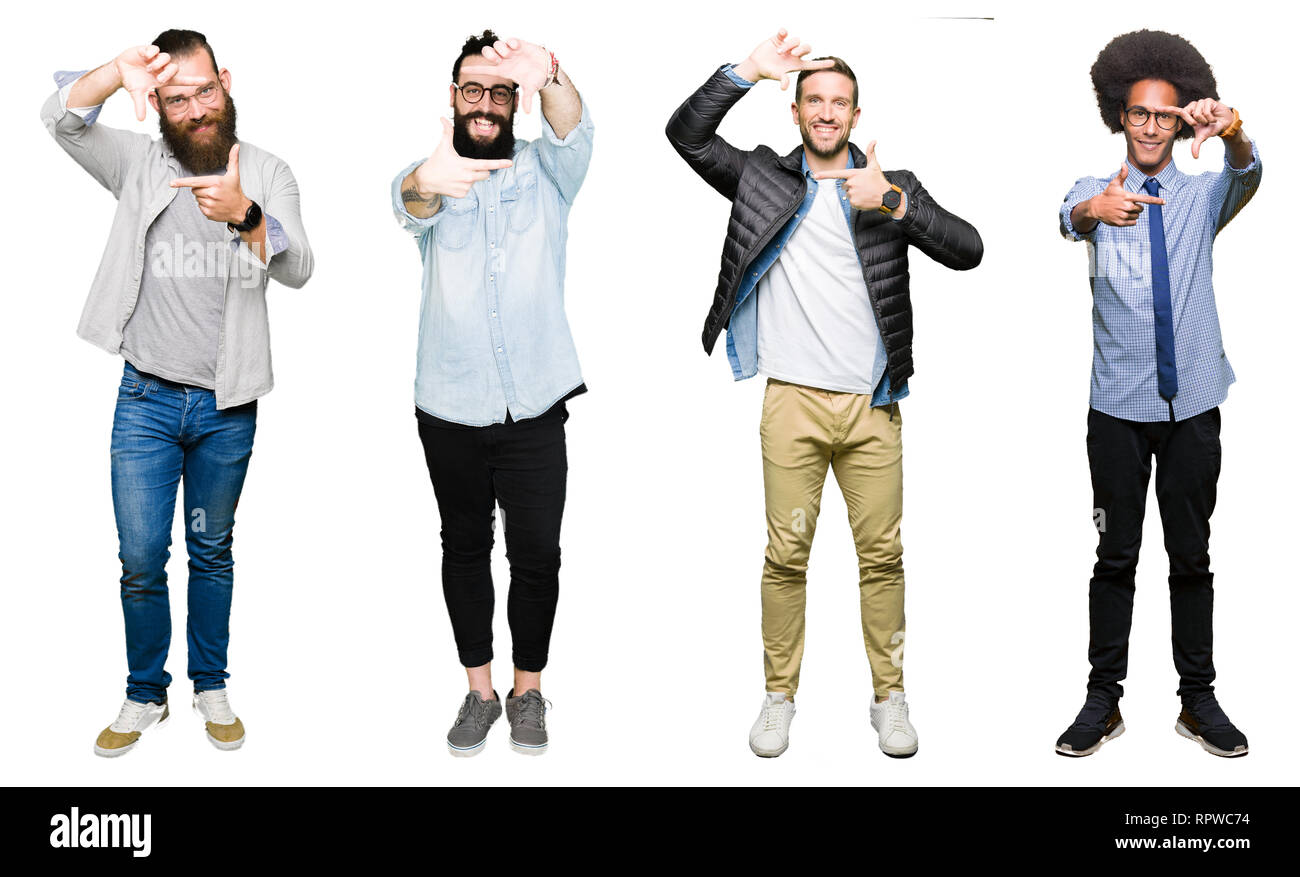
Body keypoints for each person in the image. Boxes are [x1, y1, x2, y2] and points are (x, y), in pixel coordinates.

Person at [666, 29, 982, 758]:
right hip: (792, 404)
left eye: (840, 101)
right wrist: (746, 70)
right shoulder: (763, 179)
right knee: (785, 557)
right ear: (797, 112)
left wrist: (896, 201)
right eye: (815, 100)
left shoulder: (886, 181)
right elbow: (685, 135)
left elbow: (970, 249)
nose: (828, 112)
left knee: (883, 557)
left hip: (874, 404)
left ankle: (889, 697)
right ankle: (778, 697)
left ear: (856, 113)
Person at [41, 30, 314, 756]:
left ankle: (211, 683)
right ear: (157, 104)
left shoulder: (266, 168)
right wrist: (111, 73)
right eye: (176, 98)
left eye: (204, 91)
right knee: (139, 555)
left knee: (211, 548)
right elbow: (61, 118)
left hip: (227, 409)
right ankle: (143, 693)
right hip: (146, 403)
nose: (195, 109)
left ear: (226, 81)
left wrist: (247, 216)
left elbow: (301, 267)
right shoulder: (137, 162)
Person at [1055, 29, 1259, 759]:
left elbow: (1249, 169)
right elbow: (1065, 216)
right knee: (1115, 558)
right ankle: (1102, 700)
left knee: (1192, 557)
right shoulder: (1092, 192)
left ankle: (1197, 700)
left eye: (1163, 115)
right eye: (1137, 113)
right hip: (1116, 410)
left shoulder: (1203, 198)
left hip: (1193, 409)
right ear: (1119, 114)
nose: (1148, 125)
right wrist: (1094, 213)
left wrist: (1233, 131)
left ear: (1178, 124)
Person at [391, 30, 592, 757]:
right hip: (449, 405)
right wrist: (429, 178)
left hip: (536, 401)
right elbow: (409, 201)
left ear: (514, 101)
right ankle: (479, 692)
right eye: (471, 89)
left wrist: (552, 74)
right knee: (464, 546)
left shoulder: (549, 170)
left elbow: (574, 125)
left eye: (499, 91)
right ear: (454, 98)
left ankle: (527, 689)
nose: (484, 102)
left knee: (537, 552)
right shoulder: (429, 172)